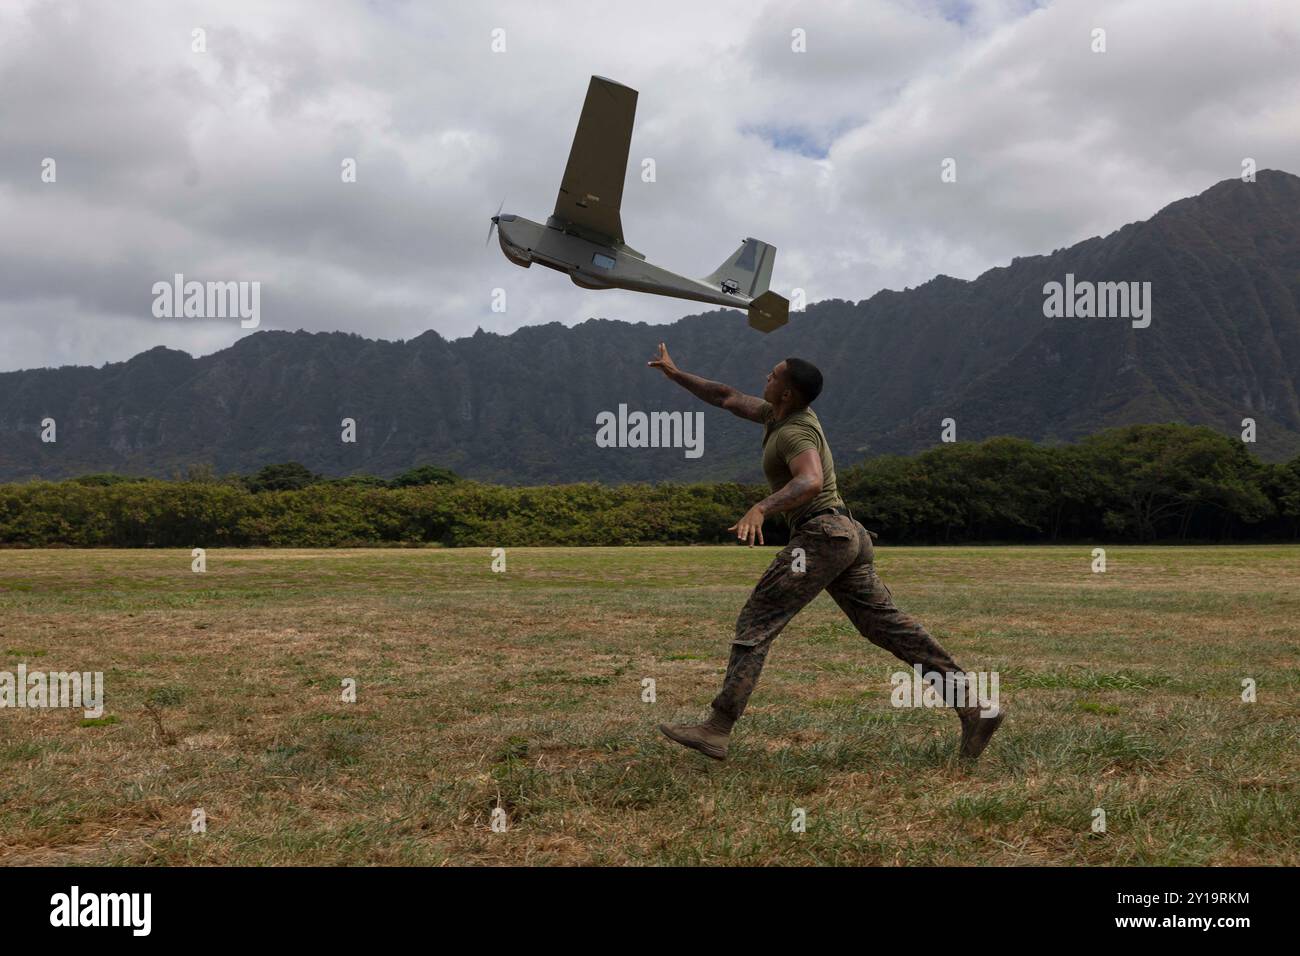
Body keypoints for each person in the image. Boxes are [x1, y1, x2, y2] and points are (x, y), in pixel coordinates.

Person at [647, 343, 1004, 761]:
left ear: (786, 393)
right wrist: (676, 373)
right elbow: (725, 396)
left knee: (757, 622)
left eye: (774, 374)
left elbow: (811, 481)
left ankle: (717, 727)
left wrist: (761, 507)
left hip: (823, 536)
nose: (766, 375)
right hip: (845, 535)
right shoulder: (776, 415)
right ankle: (975, 706)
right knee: (888, 627)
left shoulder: (796, 430)